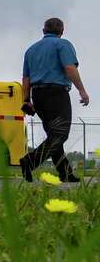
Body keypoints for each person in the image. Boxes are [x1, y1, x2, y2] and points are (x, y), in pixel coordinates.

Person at [20, 17, 89, 182]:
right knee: (60, 134)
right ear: (62, 31)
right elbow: (69, 67)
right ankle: (30, 161)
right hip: (56, 94)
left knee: (54, 135)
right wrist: (82, 90)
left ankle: (65, 173)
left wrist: (26, 99)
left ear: (43, 31)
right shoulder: (63, 44)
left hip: (38, 96)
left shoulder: (31, 50)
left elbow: (26, 78)